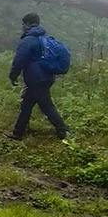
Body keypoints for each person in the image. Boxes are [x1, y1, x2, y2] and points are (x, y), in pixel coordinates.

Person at [9, 12, 68, 140]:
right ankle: (17, 133)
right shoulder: (44, 38)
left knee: (46, 106)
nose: (22, 27)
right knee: (27, 104)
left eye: (23, 24)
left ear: (28, 24)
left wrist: (13, 75)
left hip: (36, 80)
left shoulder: (29, 40)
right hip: (46, 77)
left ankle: (63, 130)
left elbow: (19, 60)